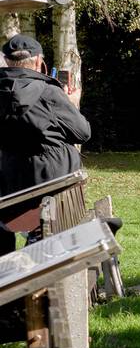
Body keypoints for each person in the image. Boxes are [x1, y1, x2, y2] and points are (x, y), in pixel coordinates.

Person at [0, 34, 92, 250]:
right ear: (39, 61)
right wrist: (72, 103)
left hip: (10, 188)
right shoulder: (49, 92)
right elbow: (82, 133)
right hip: (55, 188)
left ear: (6, 60)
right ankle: (41, 243)